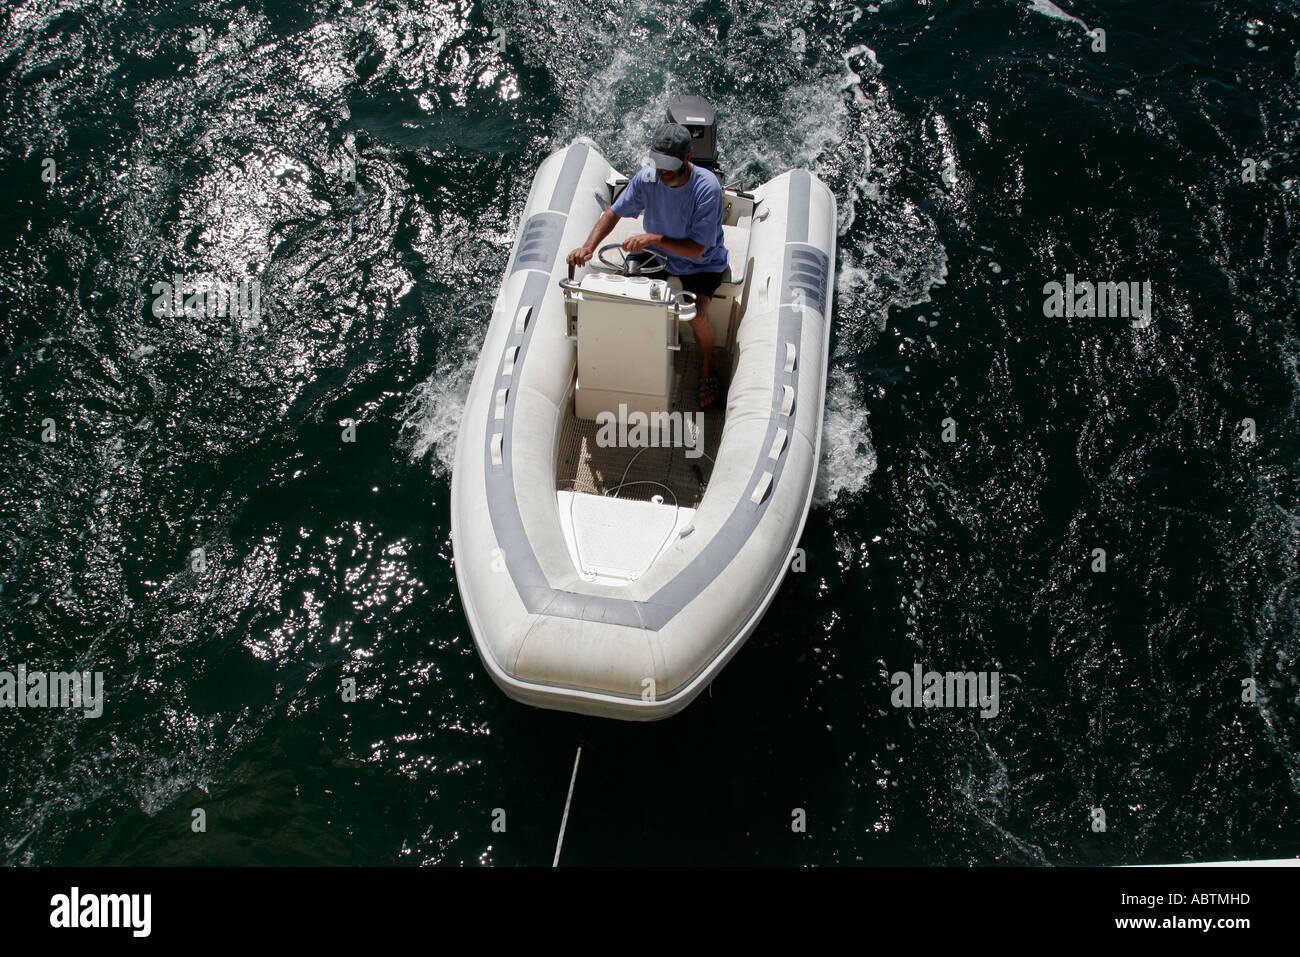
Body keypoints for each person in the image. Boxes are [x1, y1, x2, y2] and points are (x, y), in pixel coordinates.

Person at [566, 123, 730, 409]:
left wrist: (652, 237)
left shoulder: (707, 189)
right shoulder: (646, 178)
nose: (663, 174)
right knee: (630, 298)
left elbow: (696, 248)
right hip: (654, 250)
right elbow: (613, 213)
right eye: (660, 166)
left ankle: (706, 367)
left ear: (688, 158)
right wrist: (588, 247)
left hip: (701, 263)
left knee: (699, 315)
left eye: (670, 168)